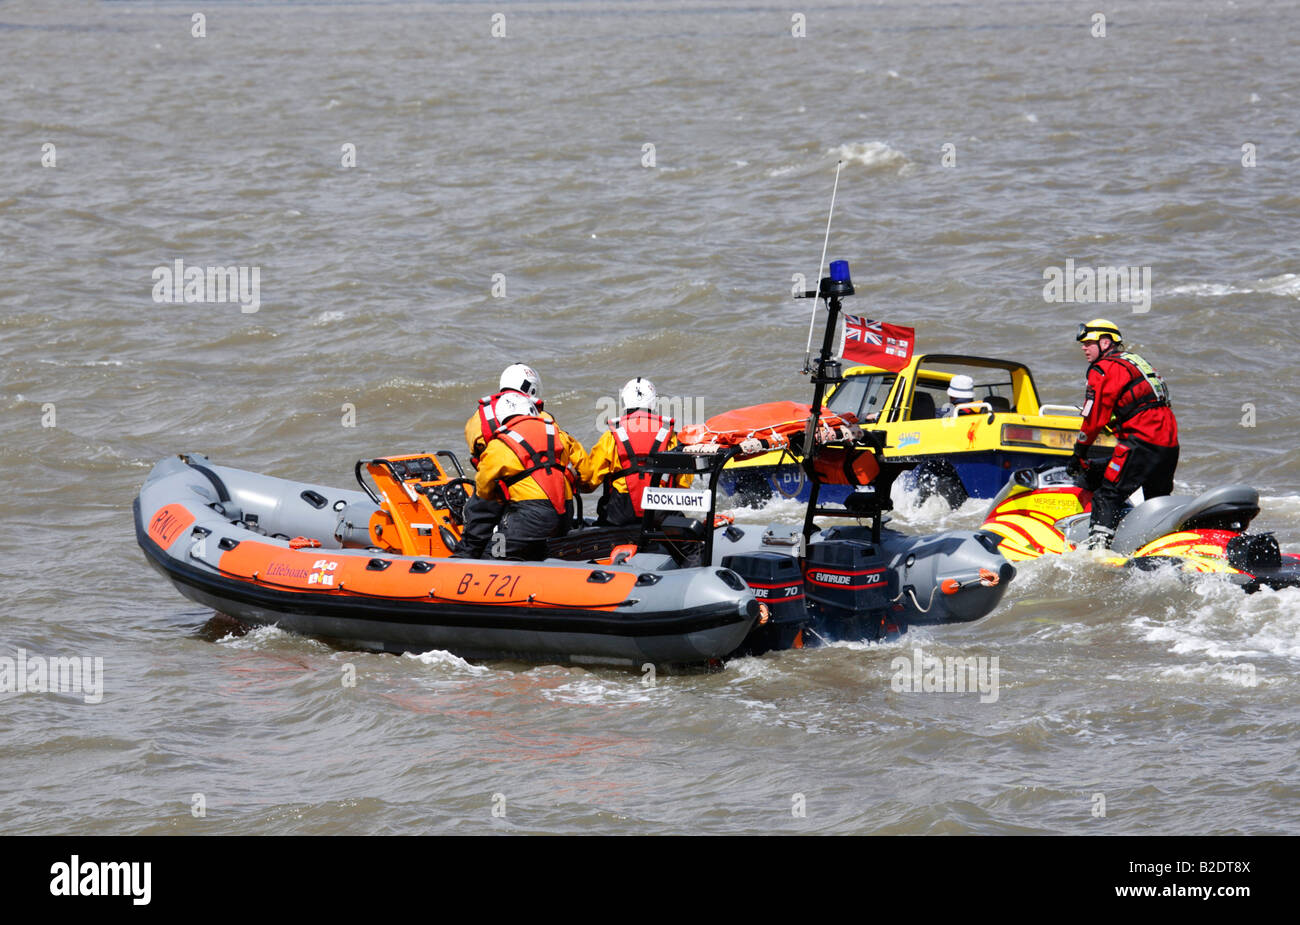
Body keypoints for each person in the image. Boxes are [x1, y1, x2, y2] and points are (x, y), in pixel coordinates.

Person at [1066, 319, 1179, 548]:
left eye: (1088, 343)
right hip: (1168, 444)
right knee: (1157, 501)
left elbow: (1094, 417)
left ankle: (1099, 552)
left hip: (1141, 441)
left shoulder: (1104, 368)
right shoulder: (1136, 361)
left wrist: (1079, 453)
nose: (1083, 348)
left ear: (1105, 342)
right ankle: (1157, 545)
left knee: (1107, 496)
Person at [452, 364, 586, 558]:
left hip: (506, 497)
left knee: (487, 538)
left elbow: (480, 463)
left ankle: (467, 556)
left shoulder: (479, 419)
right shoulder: (546, 420)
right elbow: (573, 460)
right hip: (556, 504)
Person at [471, 392, 579, 560]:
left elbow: (483, 490)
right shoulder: (558, 433)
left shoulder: (500, 444)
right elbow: (586, 474)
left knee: (493, 554)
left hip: (530, 518)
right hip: (566, 514)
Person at [580, 377, 692, 527]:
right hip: (660, 510)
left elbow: (590, 482)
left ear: (625, 401)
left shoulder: (611, 435)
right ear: (653, 402)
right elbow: (683, 484)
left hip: (619, 512)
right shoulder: (670, 435)